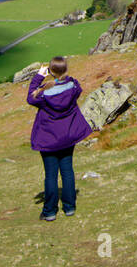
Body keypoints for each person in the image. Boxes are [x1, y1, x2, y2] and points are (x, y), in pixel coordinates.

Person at [26, 57, 93, 221]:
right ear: (65, 70)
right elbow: (78, 86)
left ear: (50, 71)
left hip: (49, 140)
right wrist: (65, 77)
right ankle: (69, 207)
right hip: (68, 137)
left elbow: (30, 98)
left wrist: (39, 77)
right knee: (67, 171)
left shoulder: (44, 94)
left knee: (51, 175)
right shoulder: (72, 88)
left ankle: (50, 211)